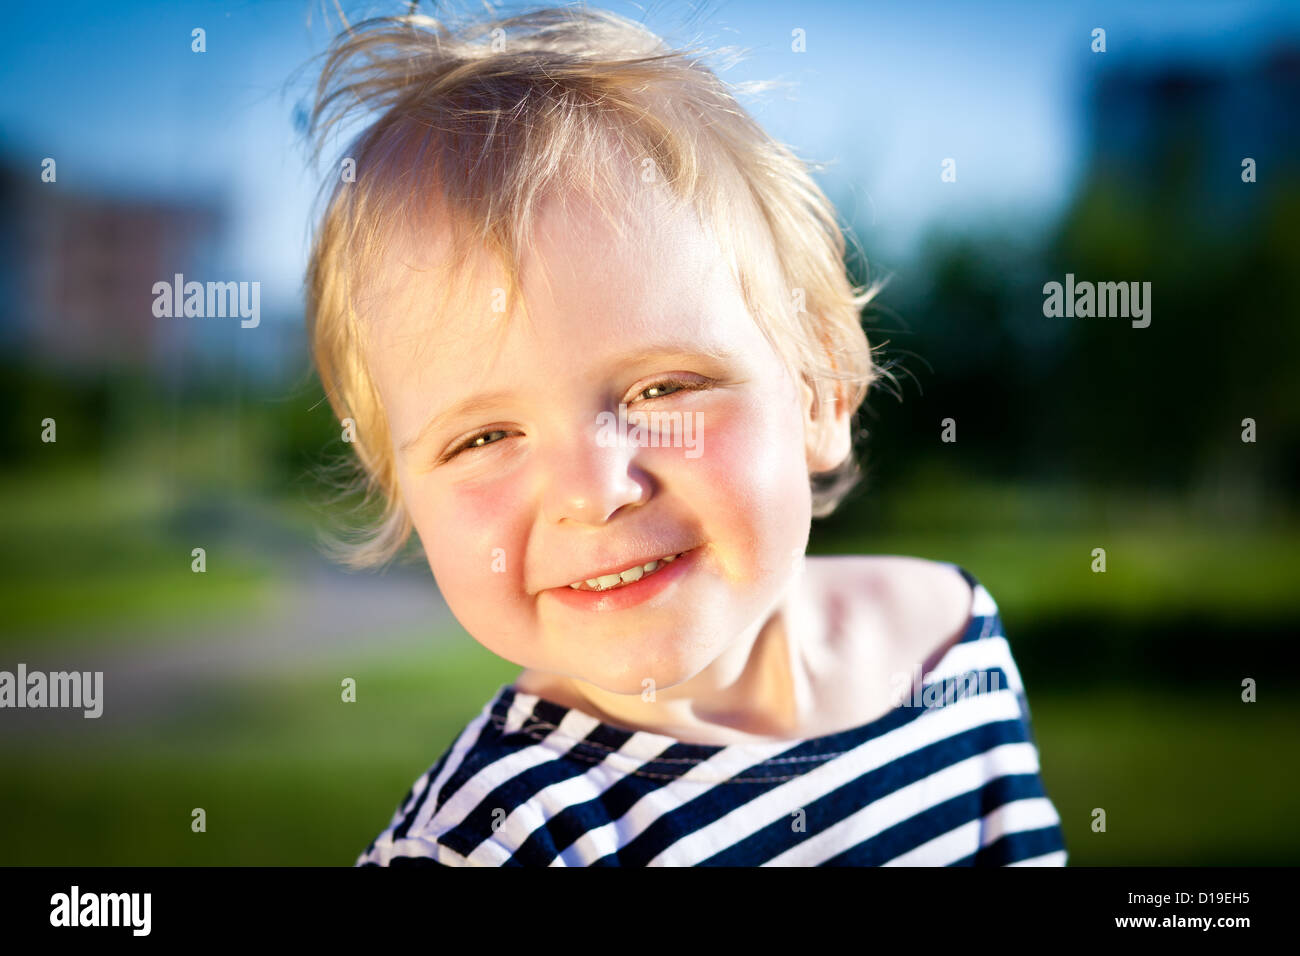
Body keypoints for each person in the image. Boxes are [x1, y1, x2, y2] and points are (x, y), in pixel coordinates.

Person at [300, 4, 1067, 866]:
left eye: (662, 387)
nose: (596, 490)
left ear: (820, 391)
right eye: (483, 438)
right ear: (402, 491)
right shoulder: (496, 840)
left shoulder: (948, 641)